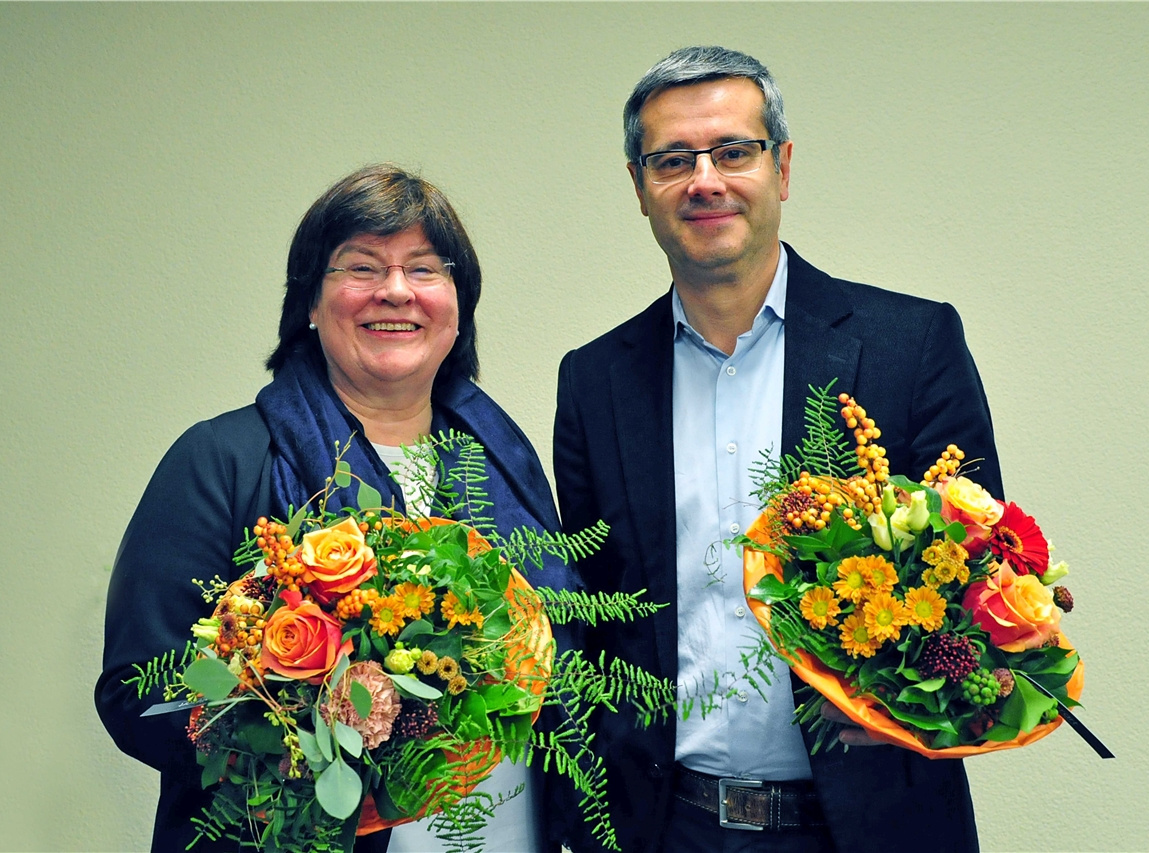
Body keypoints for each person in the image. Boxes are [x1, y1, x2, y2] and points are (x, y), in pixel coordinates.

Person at [551, 46, 1003, 853]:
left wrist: (908, 692)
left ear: (782, 167)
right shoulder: (595, 380)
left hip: (868, 825)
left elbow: (984, 575)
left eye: (733, 151)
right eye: (672, 160)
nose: (705, 180)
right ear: (639, 187)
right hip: (664, 825)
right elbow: (591, 610)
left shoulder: (910, 344)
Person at [96, 164, 574, 853]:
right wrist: (311, 722)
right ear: (311, 303)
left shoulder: (502, 460)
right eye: (361, 267)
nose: (396, 291)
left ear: (459, 303)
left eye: (426, 268)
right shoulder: (221, 459)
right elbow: (139, 693)